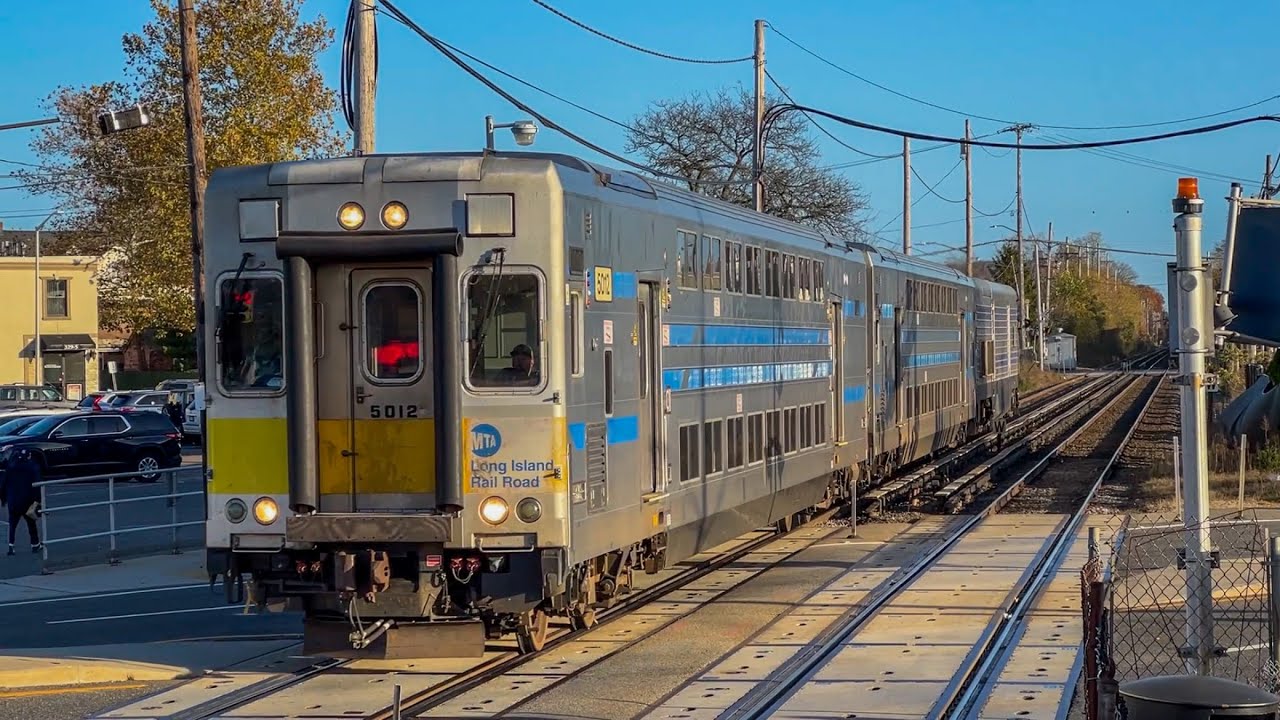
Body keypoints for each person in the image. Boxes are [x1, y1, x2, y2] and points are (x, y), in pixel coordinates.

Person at [0, 448, 42, 555]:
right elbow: (37, 485)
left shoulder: (11, 467)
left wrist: (3, 499)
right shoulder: (32, 467)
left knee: (12, 524)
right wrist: (38, 501)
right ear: (28, 456)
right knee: (31, 523)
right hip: (27, 501)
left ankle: (10, 546)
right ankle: (35, 544)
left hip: (13, 500)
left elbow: (3, 484)